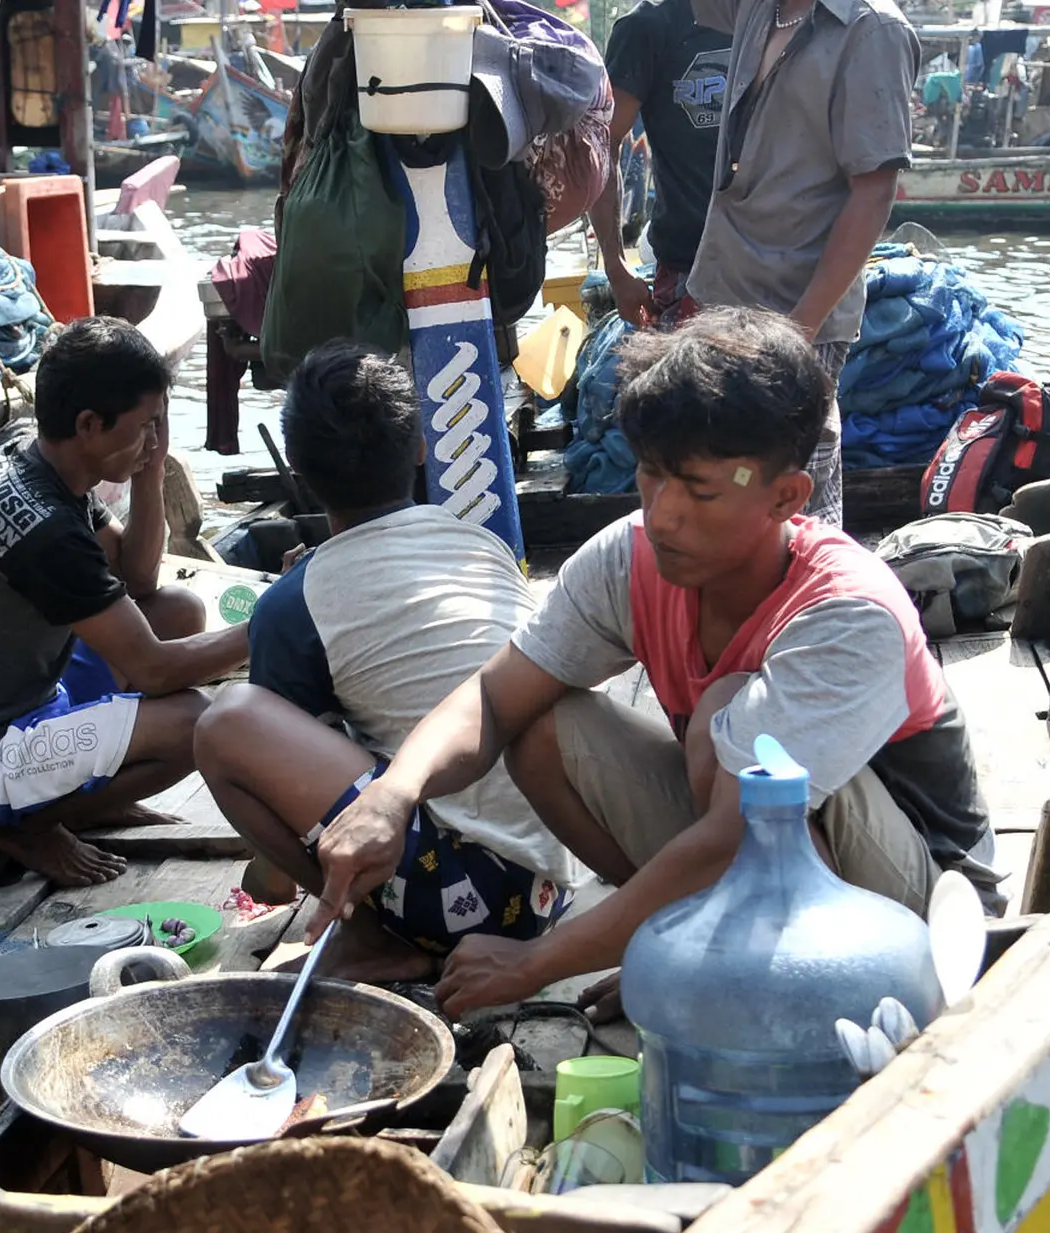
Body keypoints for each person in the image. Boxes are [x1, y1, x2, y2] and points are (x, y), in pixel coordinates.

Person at [313, 310, 996, 1015]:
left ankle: (738, 967)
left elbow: (740, 832)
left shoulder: (849, 614)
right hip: (761, 855)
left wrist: (540, 961)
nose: (663, 514)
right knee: (542, 728)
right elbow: (494, 698)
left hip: (926, 914)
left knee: (728, 718)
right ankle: (691, 943)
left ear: (786, 497)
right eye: (650, 474)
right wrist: (394, 794)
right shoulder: (630, 559)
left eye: (700, 491)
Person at [195, 342, 575, 983]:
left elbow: (275, 846)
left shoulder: (295, 602)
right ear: (422, 448)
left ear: (297, 467)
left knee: (224, 722)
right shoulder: (481, 543)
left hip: (467, 899)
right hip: (555, 880)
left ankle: (371, 938)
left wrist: (267, 873)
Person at [0, 317, 248, 887]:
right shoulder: (47, 531)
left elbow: (138, 577)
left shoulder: (34, 461)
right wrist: (277, 621)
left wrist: (150, 469)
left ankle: (78, 798)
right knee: (197, 722)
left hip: (26, 699)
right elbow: (154, 670)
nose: (153, 438)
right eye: (145, 426)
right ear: (89, 424)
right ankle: (34, 824)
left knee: (179, 611)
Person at [687, 0, 920, 524]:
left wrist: (798, 332)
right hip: (725, 290)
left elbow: (873, 193)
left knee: (781, 502)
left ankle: (810, 579)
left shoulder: (871, 30)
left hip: (798, 310)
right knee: (728, 480)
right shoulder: (757, 8)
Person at [594, 0, 731, 328]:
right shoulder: (647, 28)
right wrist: (616, 267)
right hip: (689, 268)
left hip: (778, 263)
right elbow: (602, 145)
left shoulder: (772, 18)